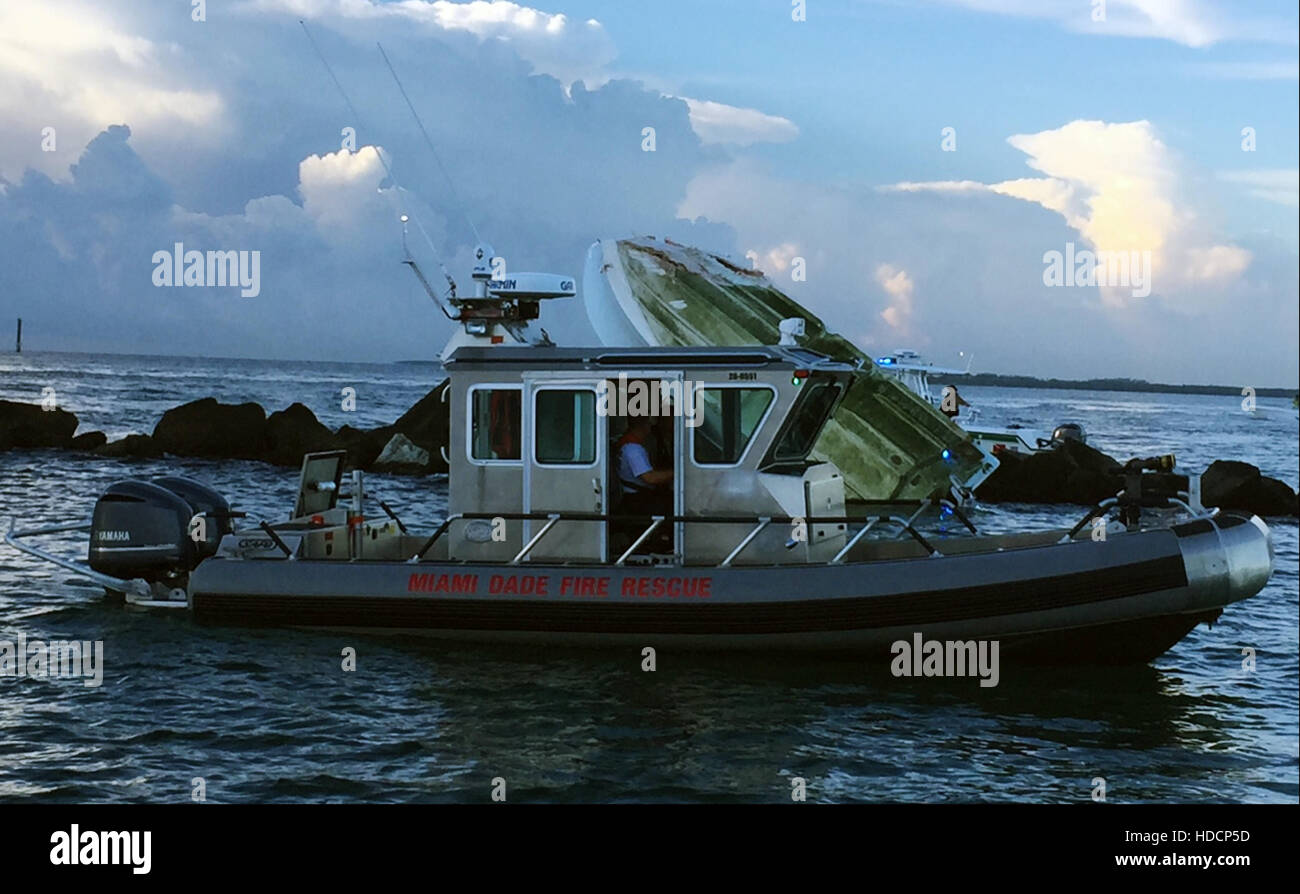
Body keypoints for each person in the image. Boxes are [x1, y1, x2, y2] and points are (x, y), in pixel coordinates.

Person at [615, 416, 673, 516]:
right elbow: (650, 478)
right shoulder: (633, 449)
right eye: (649, 422)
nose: (651, 426)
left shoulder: (625, 443)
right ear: (643, 425)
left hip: (634, 497)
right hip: (637, 500)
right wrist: (677, 472)